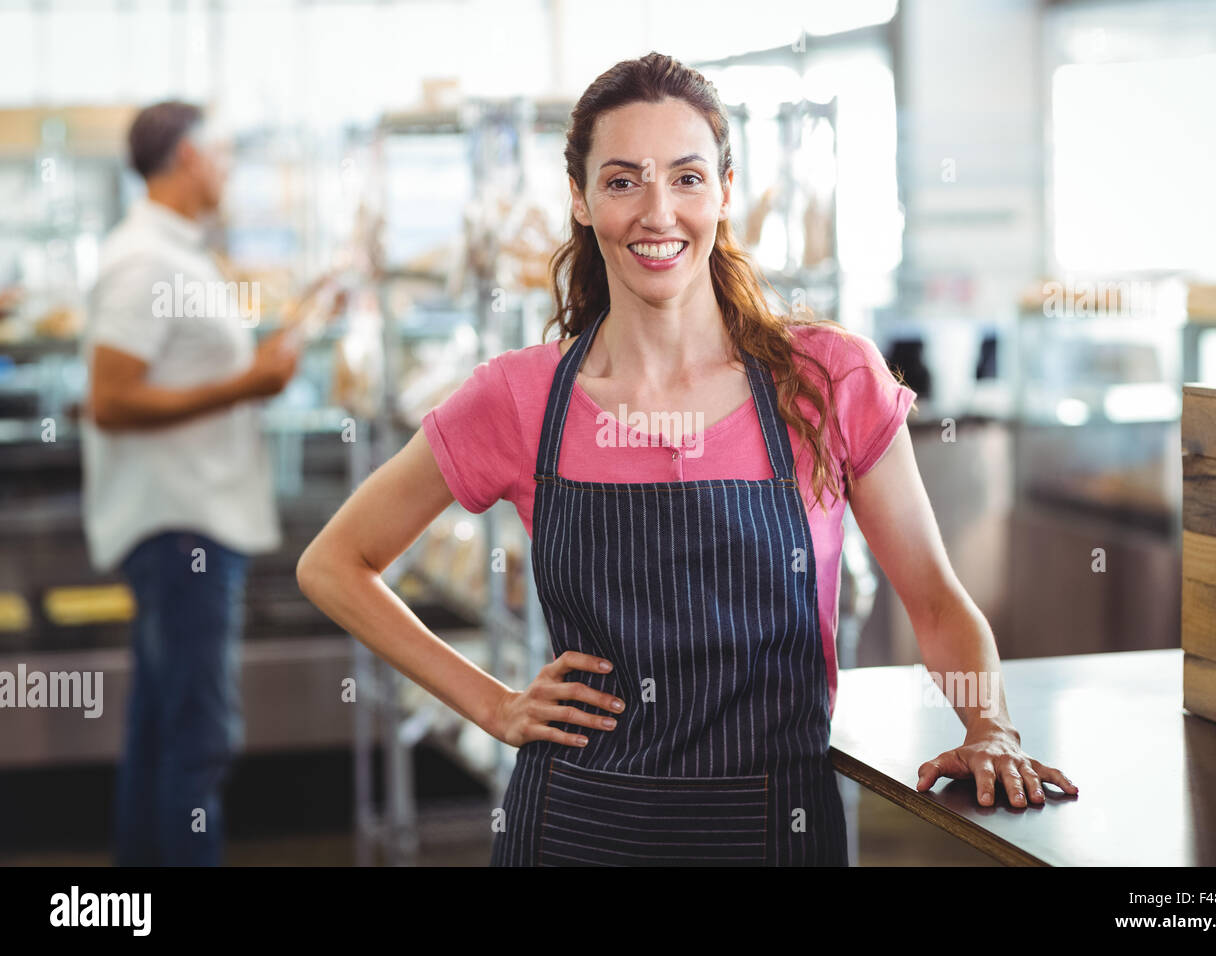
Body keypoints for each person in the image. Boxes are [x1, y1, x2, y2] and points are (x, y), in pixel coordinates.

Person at [297, 52, 1077, 867]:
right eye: (624, 180)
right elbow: (335, 563)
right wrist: (492, 706)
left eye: (687, 177)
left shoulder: (825, 380)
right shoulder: (521, 398)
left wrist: (991, 727)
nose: (657, 212)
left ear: (725, 192)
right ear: (581, 198)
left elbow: (937, 601)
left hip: (778, 830)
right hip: (575, 828)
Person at [83, 100, 299, 866]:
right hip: (181, 529)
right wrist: (248, 386)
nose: (227, 168)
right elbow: (109, 398)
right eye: (219, 153)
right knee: (199, 740)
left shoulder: (178, 252)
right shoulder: (148, 259)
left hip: (186, 521)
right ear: (182, 158)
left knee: (161, 728)